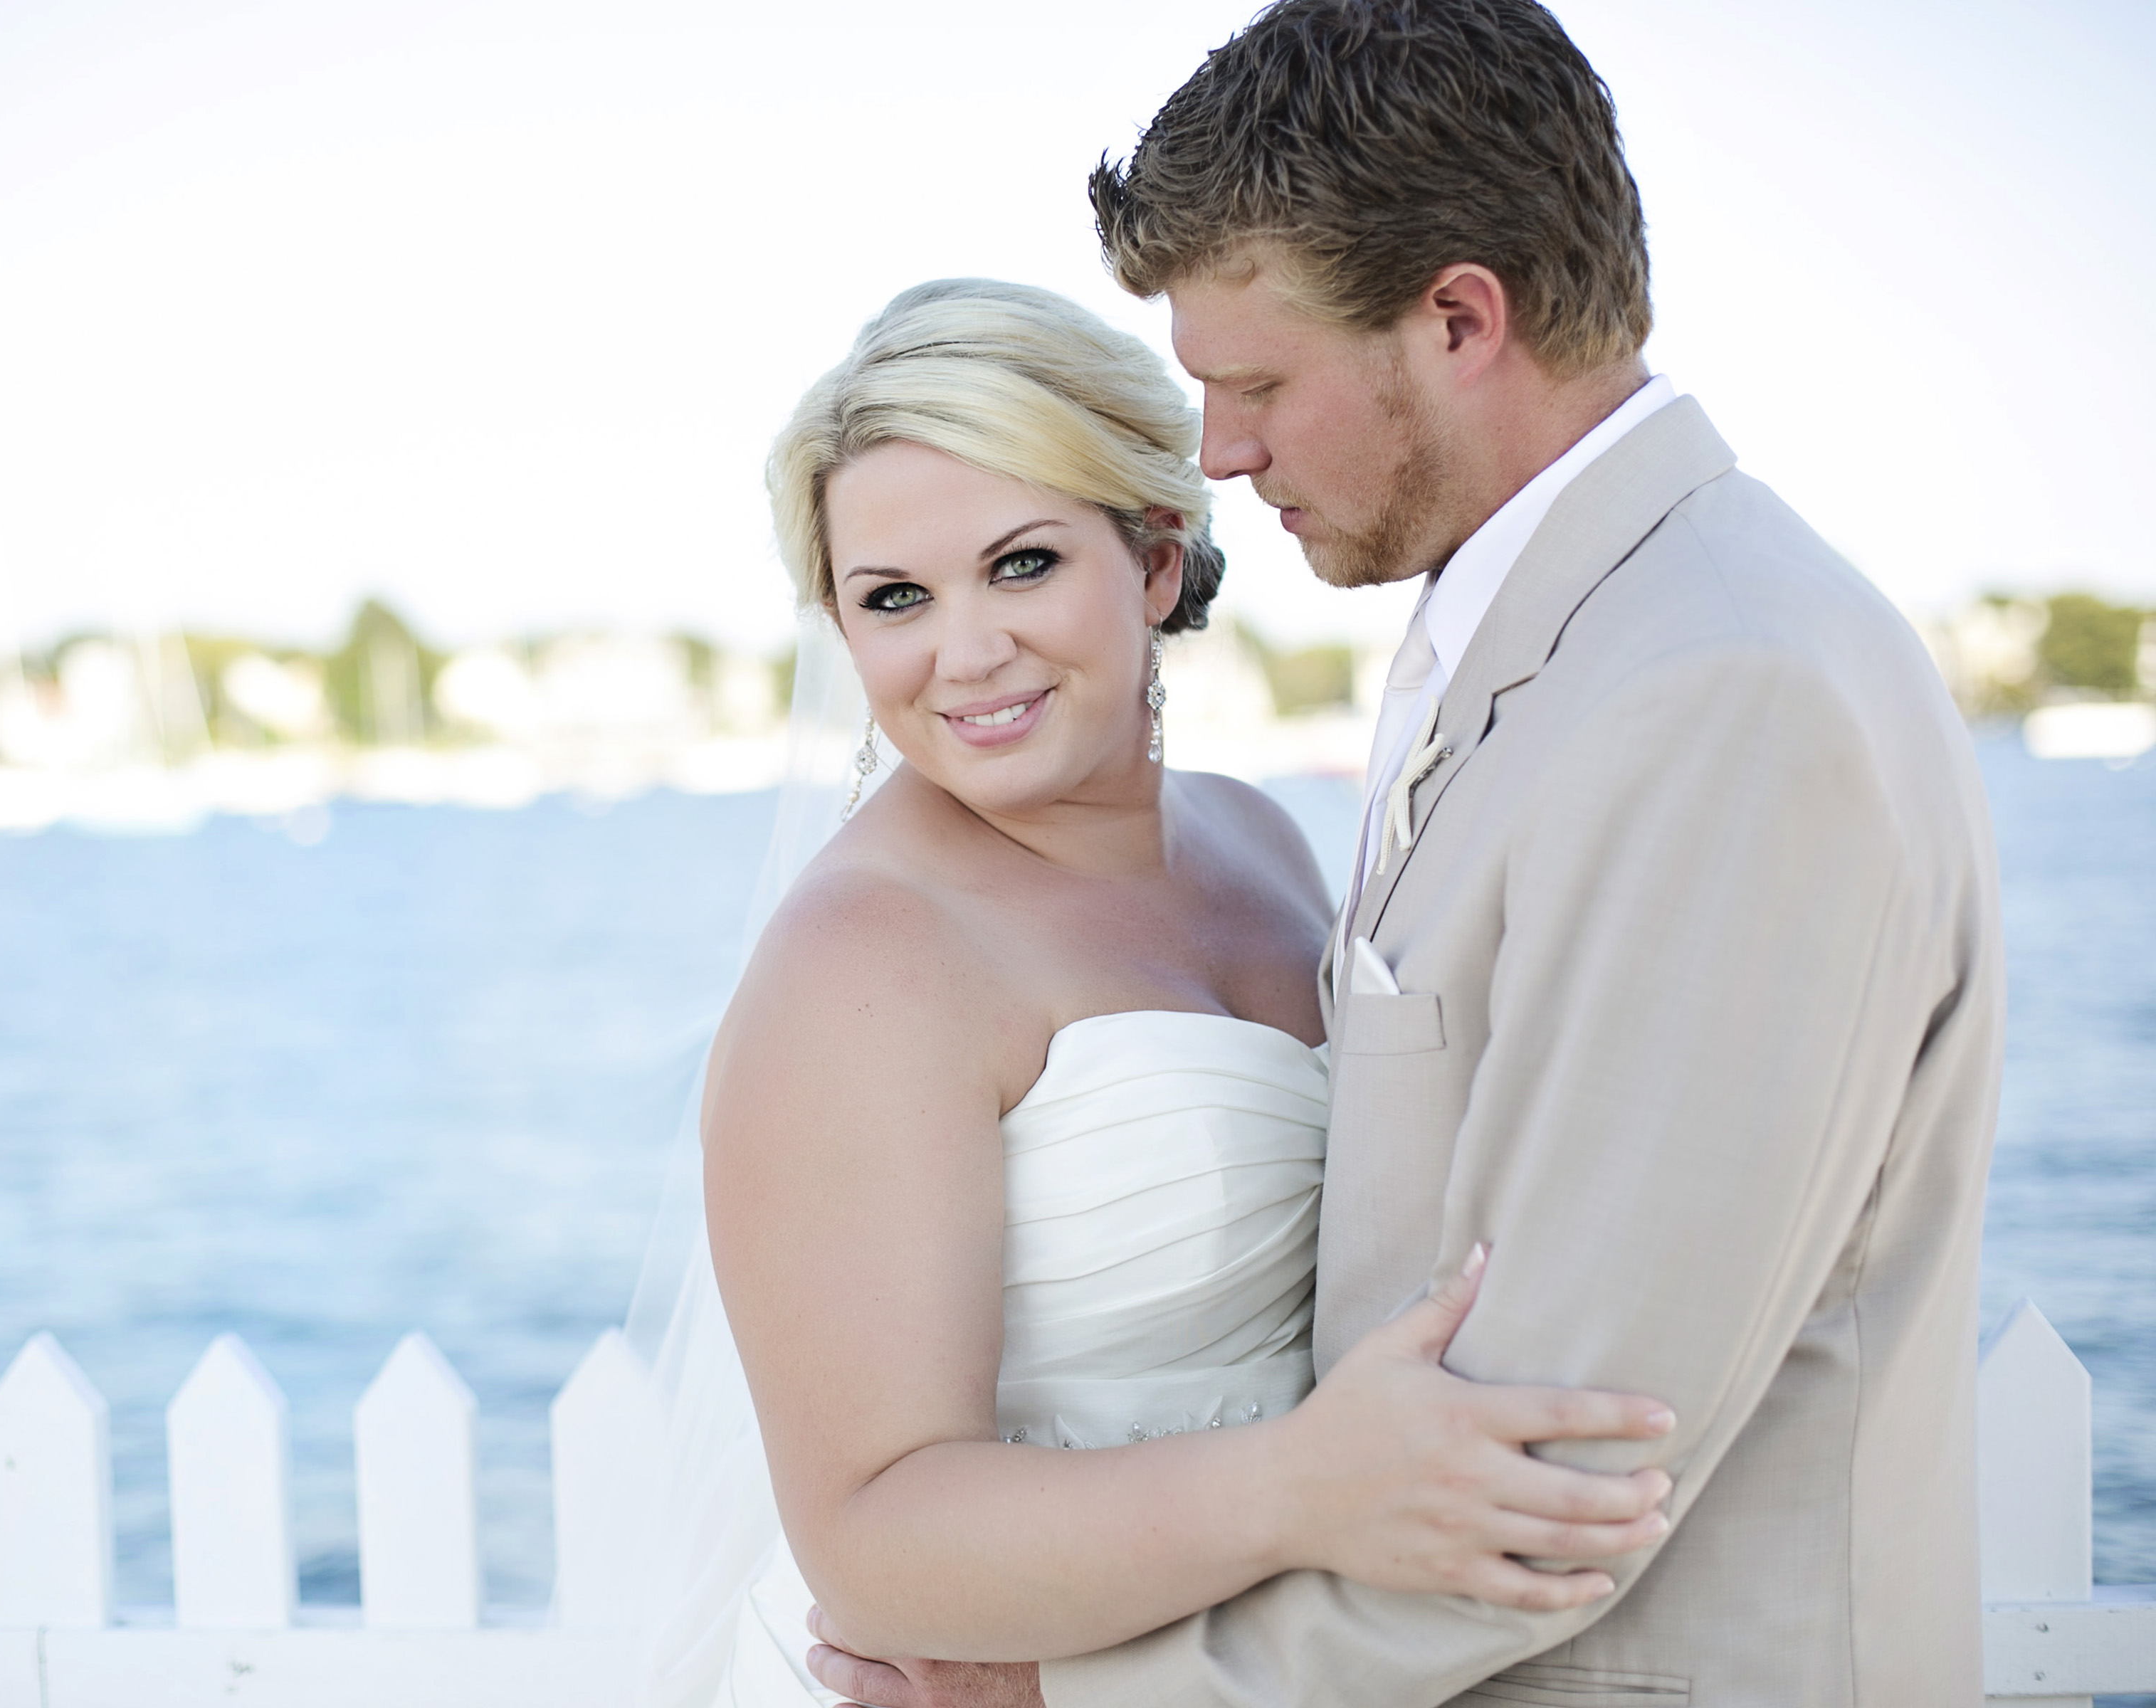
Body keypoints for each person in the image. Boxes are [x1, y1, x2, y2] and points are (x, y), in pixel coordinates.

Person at [802, 4, 2004, 1707]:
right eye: (895, 596)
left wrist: (1051, 1696)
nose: (1217, 453)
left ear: (1458, 319)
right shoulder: (1563, 638)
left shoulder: (1717, 690)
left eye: (1260, 384)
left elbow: (1563, 1463)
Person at [675, 276, 1676, 1708]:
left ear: (1153, 562)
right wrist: (1307, 1489)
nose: (966, 653)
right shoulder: (868, 958)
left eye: (1021, 565)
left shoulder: (1258, 843)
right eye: (895, 598)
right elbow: (873, 1540)